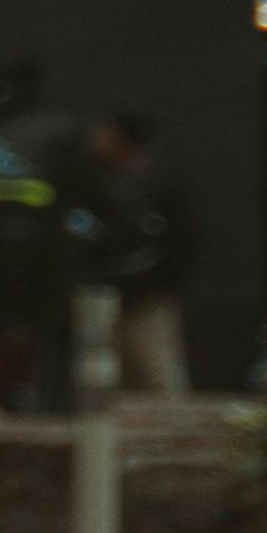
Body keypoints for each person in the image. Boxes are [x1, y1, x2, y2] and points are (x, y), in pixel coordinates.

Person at [88, 104, 197, 400]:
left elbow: (182, 240)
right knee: (106, 380)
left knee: (160, 376)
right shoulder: (100, 179)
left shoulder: (161, 181)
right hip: (106, 296)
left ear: (122, 137)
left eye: (104, 131)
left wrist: (150, 279)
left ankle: (176, 439)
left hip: (149, 296)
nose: (96, 138)